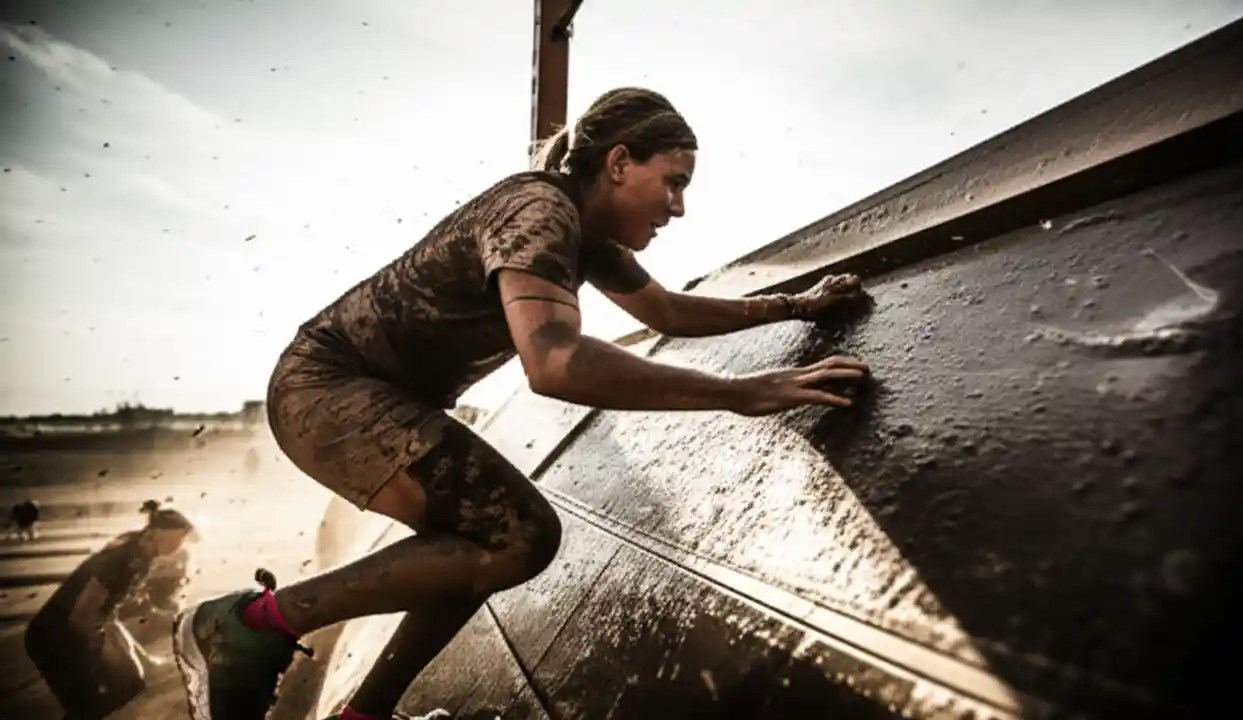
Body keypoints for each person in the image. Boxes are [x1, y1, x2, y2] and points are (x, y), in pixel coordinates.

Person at [173, 87, 871, 720]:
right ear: (620, 162)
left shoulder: (586, 233)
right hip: (328, 390)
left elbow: (664, 311)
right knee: (519, 534)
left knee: (485, 541)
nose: (679, 207)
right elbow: (555, 361)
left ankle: (363, 714)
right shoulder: (539, 210)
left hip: (362, 395)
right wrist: (741, 393)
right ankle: (246, 626)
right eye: (674, 182)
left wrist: (794, 306)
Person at [26, 503, 197, 719]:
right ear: (156, 532)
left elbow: (108, 613)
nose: (179, 546)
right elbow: (82, 616)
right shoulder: (120, 560)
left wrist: (139, 656)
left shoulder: (140, 553)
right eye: (176, 538)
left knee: (129, 683)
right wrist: (100, 651)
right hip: (53, 636)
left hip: (72, 630)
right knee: (88, 705)